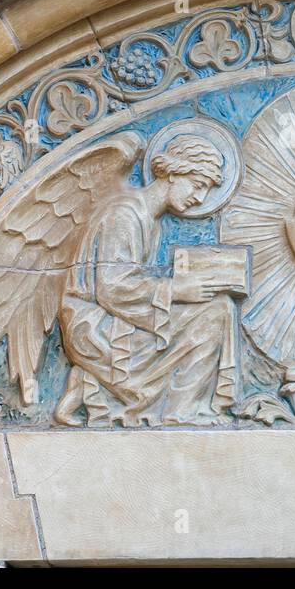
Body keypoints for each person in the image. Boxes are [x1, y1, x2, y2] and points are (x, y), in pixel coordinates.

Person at [54, 134, 238, 427]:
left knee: (219, 305)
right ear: (174, 172)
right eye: (198, 185)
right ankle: (181, 409)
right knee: (216, 311)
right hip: (94, 326)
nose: (200, 198)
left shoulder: (148, 219)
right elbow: (111, 288)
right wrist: (176, 290)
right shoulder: (124, 213)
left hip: (119, 317)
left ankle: (180, 405)